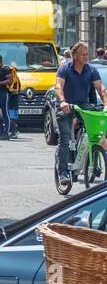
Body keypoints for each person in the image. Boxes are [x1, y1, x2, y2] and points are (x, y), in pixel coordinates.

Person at [55, 41, 106, 186]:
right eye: (83, 54)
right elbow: (59, 86)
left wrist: (106, 103)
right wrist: (63, 101)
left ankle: (91, 158)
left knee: (95, 132)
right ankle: (63, 171)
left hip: (82, 105)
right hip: (67, 105)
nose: (86, 56)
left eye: (87, 54)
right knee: (65, 139)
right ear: (75, 55)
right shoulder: (65, 68)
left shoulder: (91, 70)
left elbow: (100, 88)